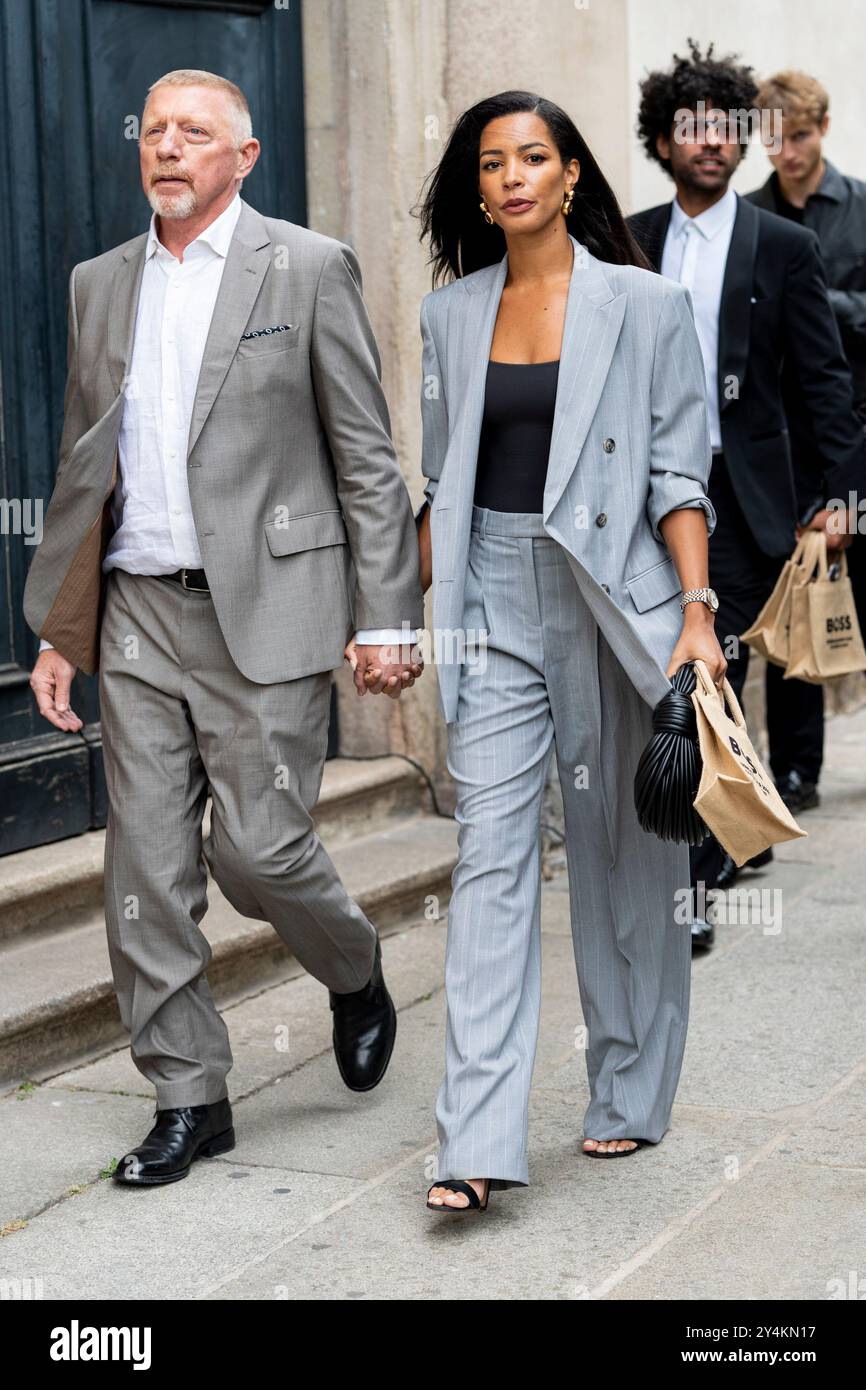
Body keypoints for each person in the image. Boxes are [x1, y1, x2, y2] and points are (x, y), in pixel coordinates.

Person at [23, 69, 424, 1186]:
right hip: (141, 607)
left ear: (243, 157)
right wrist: (64, 626)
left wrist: (386, 616)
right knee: (145, 867)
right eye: (153, 130)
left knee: (260, 847)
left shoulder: (305, 264)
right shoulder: (96, 283)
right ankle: (190, 1095)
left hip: (270, 609)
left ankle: (350, 964)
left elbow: (367, 461)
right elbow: (80, 464)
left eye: (195, 132)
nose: (168, 148)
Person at [414, 89, 726, 1214]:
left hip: (611, 592)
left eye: (531, 158)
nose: (510, 177)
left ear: (570, 176)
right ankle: (475, 1137)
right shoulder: (448, 315)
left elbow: (676, 476)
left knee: (615, 852)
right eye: (491, 162)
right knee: (488, 854)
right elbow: (439, 483)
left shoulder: (642, 306)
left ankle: (627, 1091)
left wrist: (694, 611)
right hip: (491, 596)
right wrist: (403, 616)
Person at [628, 41, 864, 944]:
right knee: (689, 669)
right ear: (663, 140)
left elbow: (824, 382)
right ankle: (713, 843)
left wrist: (842, 493)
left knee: (711, 666)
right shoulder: (630, 239)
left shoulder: (784, 246)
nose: (713, 142)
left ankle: (699, 863)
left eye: (728, 127)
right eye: (692, 127)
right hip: (651, 493)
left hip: (748, 489)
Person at [747, 68, 866, 815]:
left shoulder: (861, 209)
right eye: (774, 138)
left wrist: (815, 301)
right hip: (783, 440)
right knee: (795, 599)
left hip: (857, 429)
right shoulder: (749, 217)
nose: (787, 152)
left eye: (799, 135)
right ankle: (796, 771)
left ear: (821, 129)